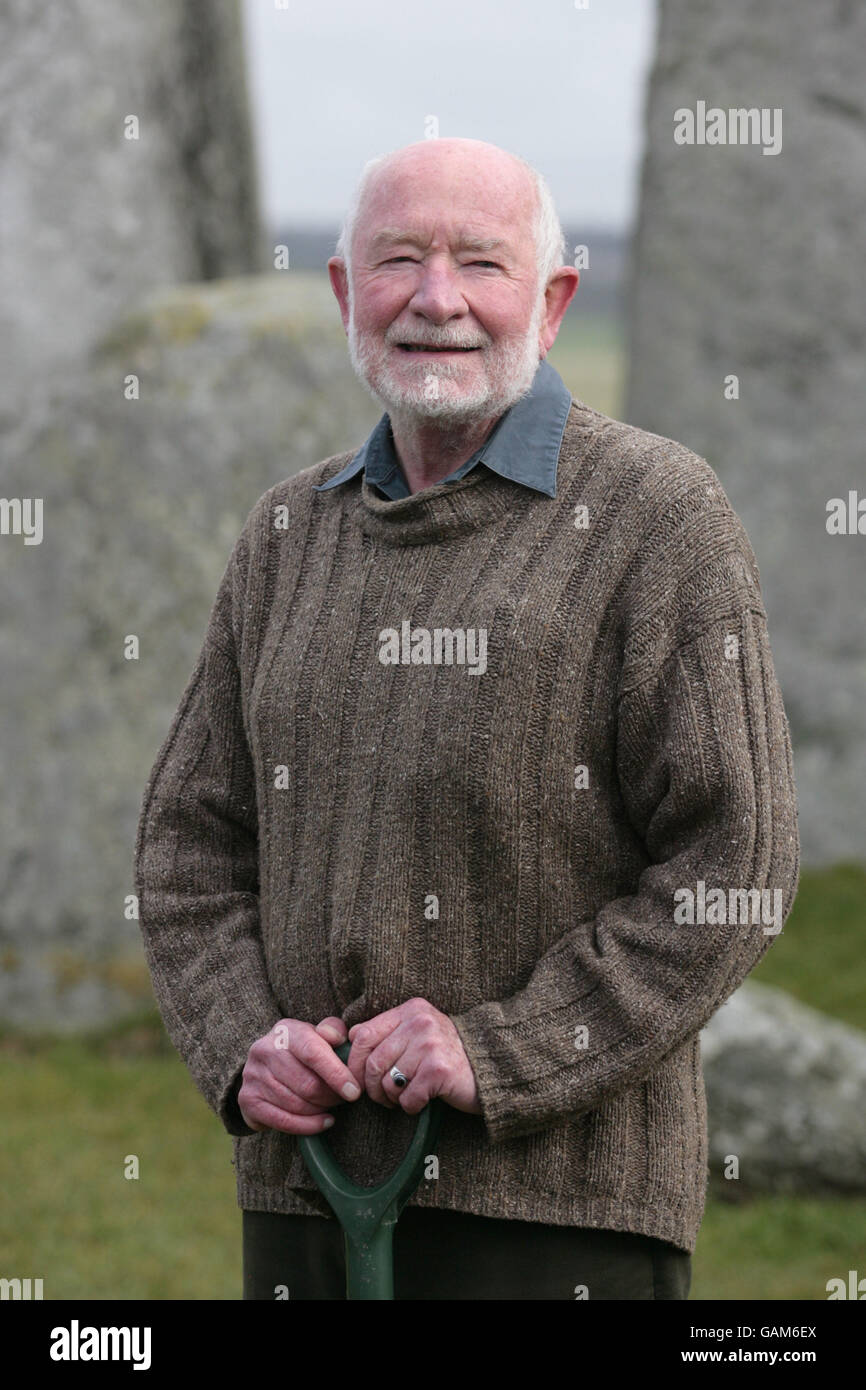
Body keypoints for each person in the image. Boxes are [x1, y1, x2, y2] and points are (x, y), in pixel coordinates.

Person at [134, 137, 800, 1301]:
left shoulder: (657, 517)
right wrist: (244, 1043)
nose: (434, 299)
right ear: (347, 293)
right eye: (396, 260)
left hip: (559, 1224)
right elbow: (189, 845)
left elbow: (731, 863)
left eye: (480, 264)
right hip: (304, 1206)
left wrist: (499, 1053)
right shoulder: (284, 535)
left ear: (551, 302)